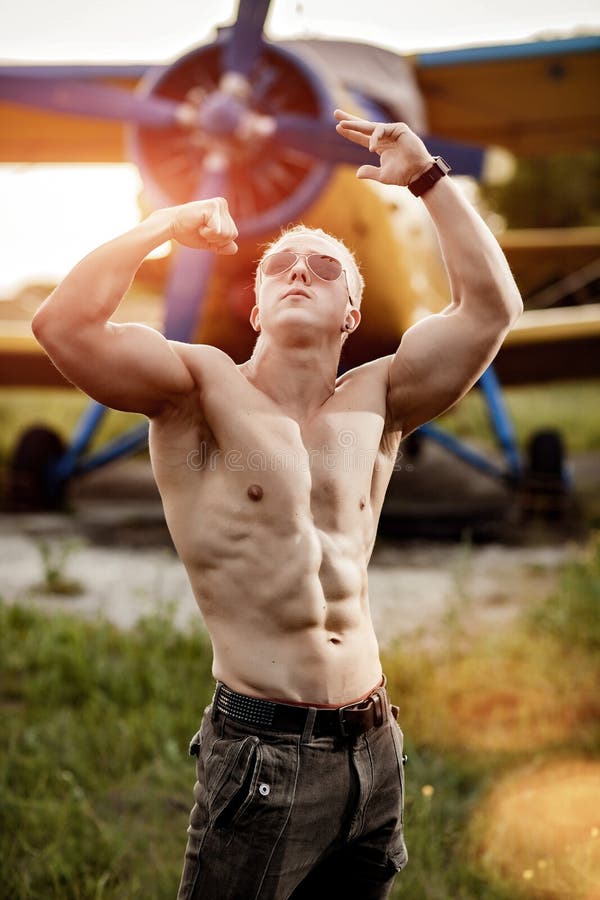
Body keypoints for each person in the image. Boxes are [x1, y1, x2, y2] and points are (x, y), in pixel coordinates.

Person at [32, 109, 523, 899]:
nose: (299, 270)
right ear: (256, 309)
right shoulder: (196, 389)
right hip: (263, 755)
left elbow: (490, 310)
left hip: (375, 747)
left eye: (324, 268)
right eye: (280, 266)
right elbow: (63, 326)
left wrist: (429, 179)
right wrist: (161, 223)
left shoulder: (382, 398)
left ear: (351, 316)